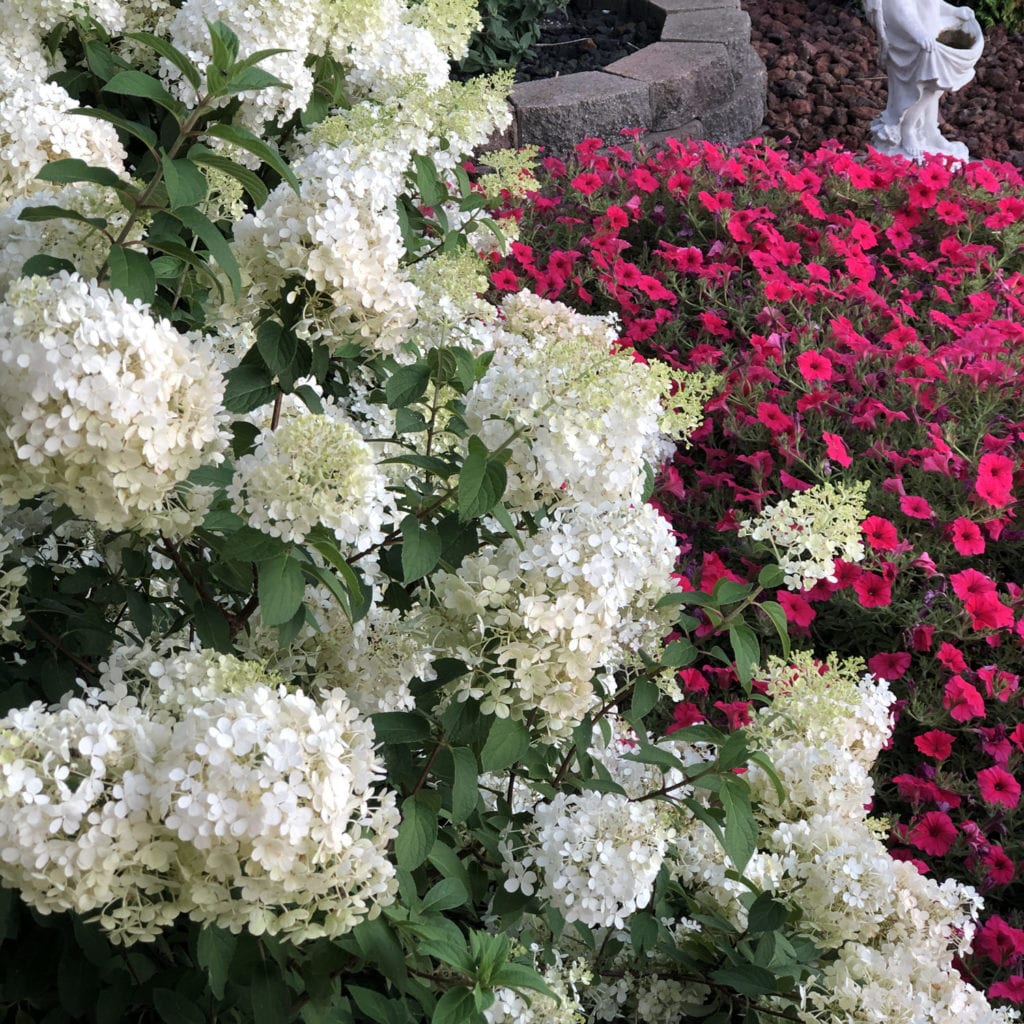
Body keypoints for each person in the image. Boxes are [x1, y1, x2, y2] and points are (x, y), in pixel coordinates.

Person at [864, 0, 984, 161]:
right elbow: (902, 10)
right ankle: (907, 129)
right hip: (909, 42)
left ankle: (930, 131)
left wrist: (954, 11)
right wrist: (919, 33)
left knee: (936, 85)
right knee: (925, 86)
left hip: (930, 38)